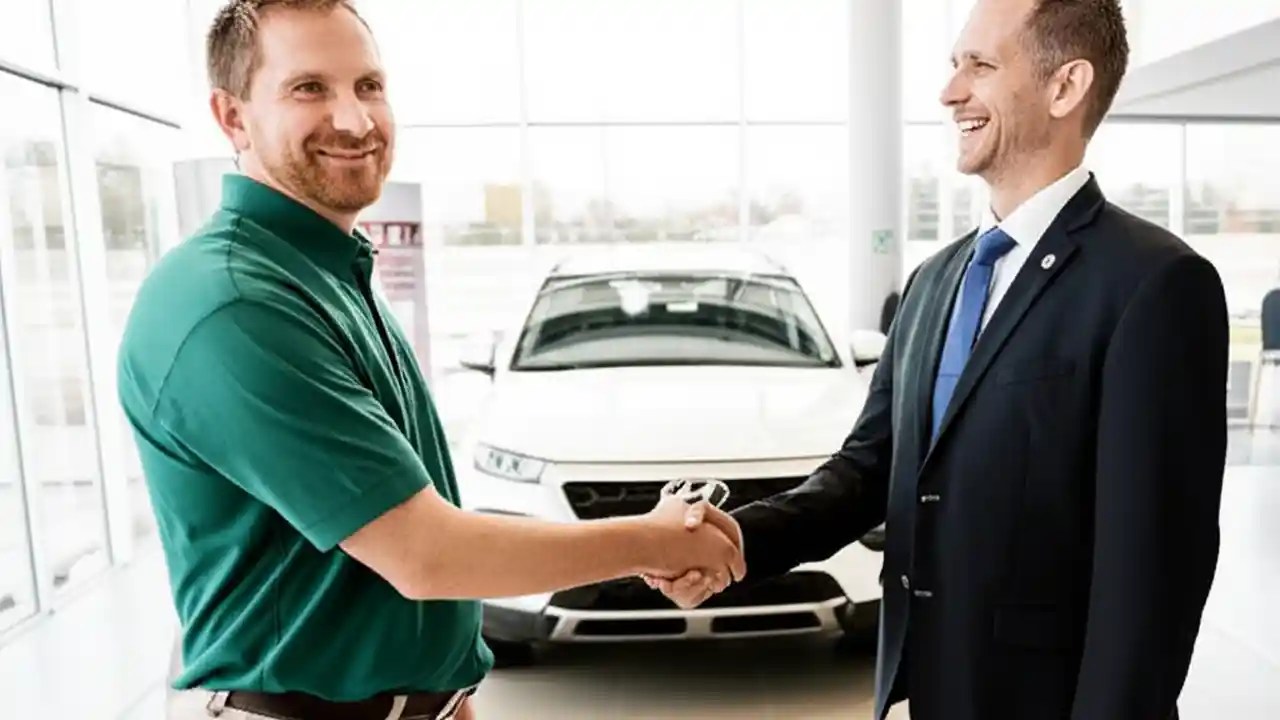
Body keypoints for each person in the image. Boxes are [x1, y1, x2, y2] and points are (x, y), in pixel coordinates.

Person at [117, 2, 744, 719]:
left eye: (369, 85)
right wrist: (651, 542)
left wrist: (443, 700)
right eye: (309, 88)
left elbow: (400, 547)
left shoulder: (323, 272)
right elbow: (423, 554)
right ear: (233, 117)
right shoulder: (235, 303)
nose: (355, 120)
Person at [651, 1, 1229, 718]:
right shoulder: (934, 281)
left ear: (1065, 86)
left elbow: (1151, 575)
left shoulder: (1154, 284)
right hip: (931, 690)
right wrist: (737, 537)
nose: (950, 92)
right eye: (954, 65)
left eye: (979, 66)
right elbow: (867, 472)